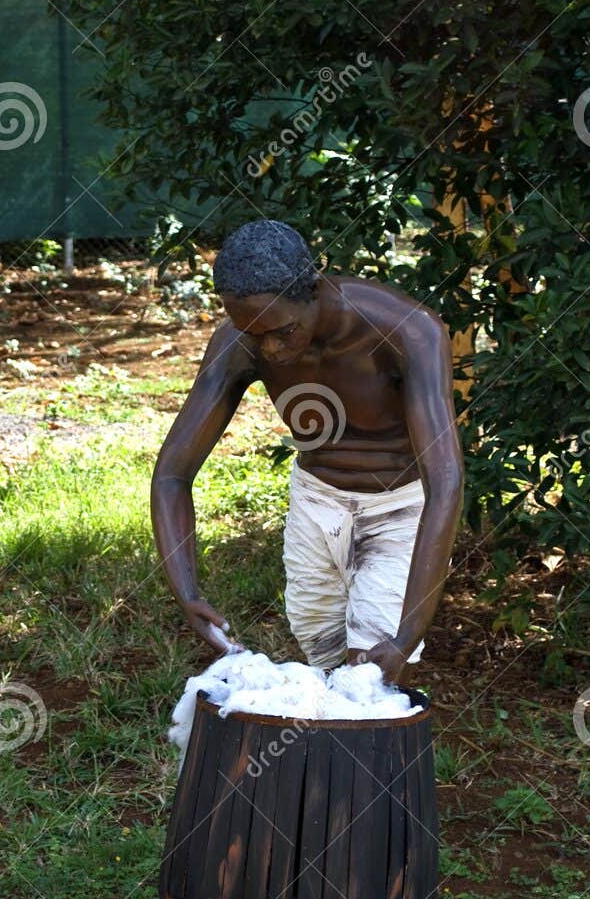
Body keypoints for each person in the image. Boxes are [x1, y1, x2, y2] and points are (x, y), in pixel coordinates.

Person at [151, 219, 464, 685]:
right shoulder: (242, 343)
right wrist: (188, 592)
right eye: (252, 333)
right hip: (316, 502)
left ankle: (376, 755)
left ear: (314, 290)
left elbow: (445, 482)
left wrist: (407, 634)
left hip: (400, 504)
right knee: (324, 661)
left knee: (370, 677)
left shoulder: (408, 331)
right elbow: (172, 475)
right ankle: (323, 755)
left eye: (282, 331)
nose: (270, 349)